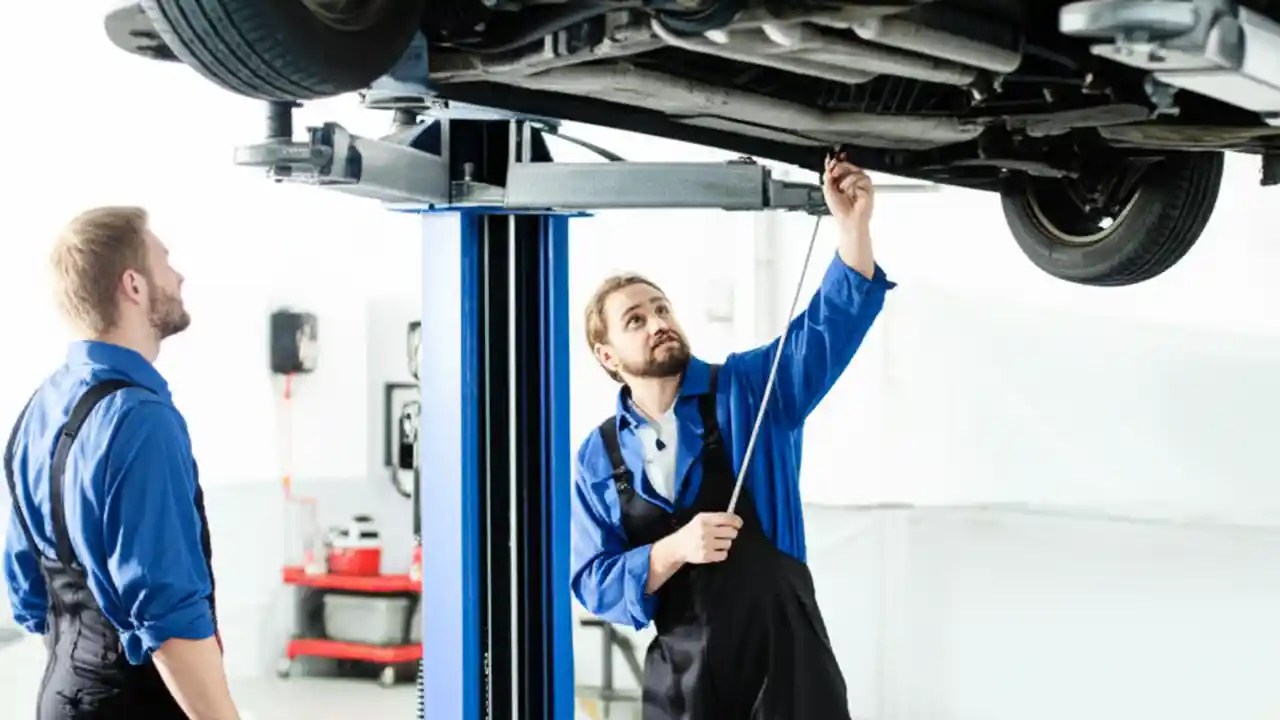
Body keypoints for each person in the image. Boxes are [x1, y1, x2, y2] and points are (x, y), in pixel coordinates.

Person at [569, 154, 894, 720]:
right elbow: (595, 582)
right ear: (607, 356)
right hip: (685, 686)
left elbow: (827, 329)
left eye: (662, 309)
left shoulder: (748, 390)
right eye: (636, 320)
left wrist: (853, 228)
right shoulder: (598, 456)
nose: (658, 323)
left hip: (787, 671)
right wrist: (675, 549)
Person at [2, 206, 240, 719]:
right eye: (165, 261)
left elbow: (28, 593)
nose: (179, 276)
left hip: (60, 694)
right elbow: (170, 618)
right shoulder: (141, 420)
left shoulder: (41, 406)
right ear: (133, 285)